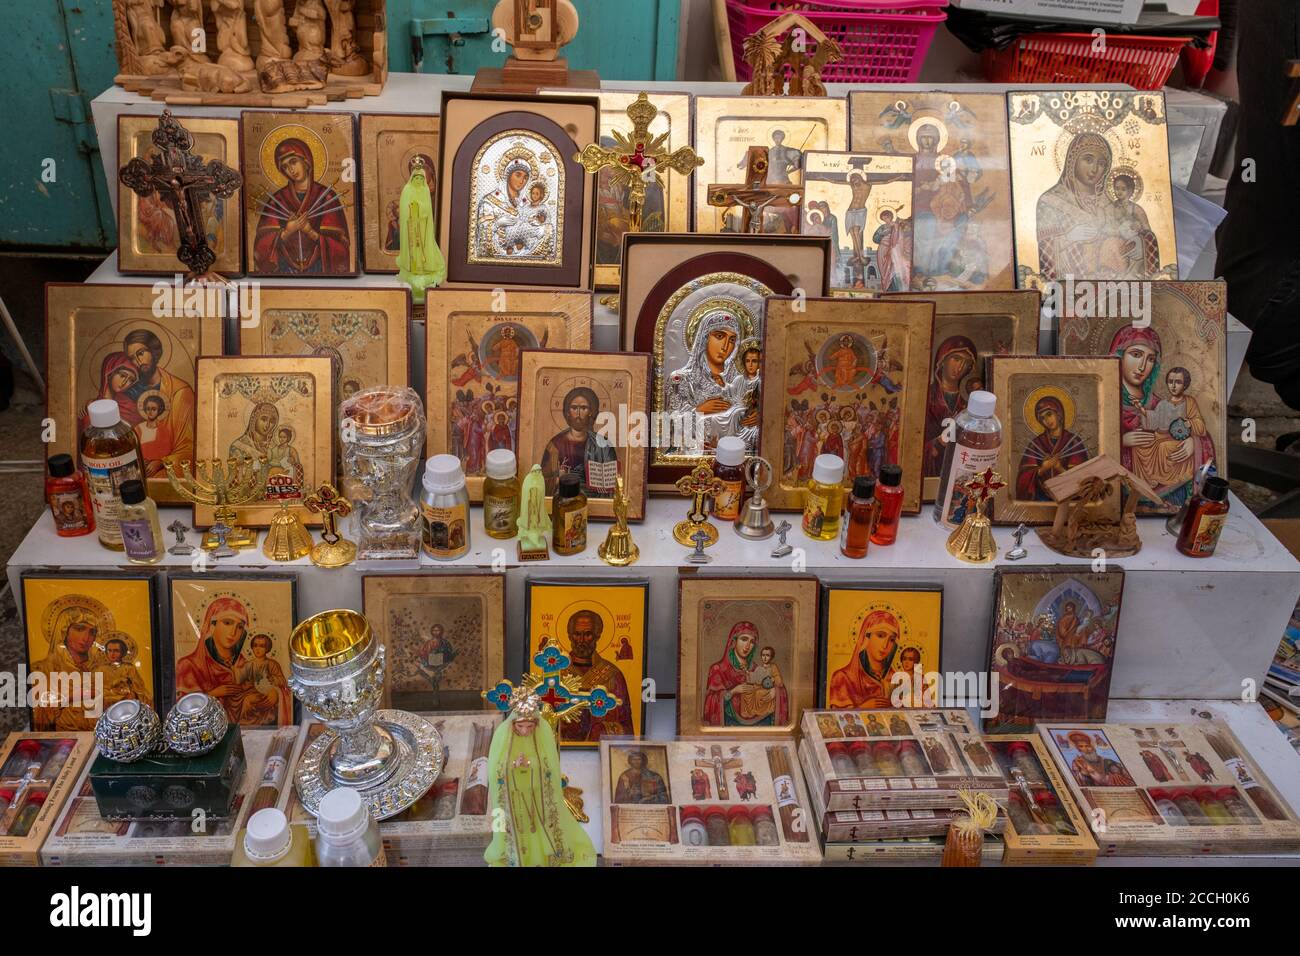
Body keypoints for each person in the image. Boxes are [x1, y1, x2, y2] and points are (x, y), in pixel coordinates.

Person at [483, 694, 596, 867]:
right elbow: (495, 769)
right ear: (513, 724)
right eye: (520, 726)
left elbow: (549, 768)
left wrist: (530, 764)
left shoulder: (542, 736)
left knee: (540, 824)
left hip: (537, 794)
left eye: (530, 726)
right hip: (515, 796)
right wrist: (513, 765)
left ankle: (543, 856)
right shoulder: (503, 736)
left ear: (536, 724)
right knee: (519, 826)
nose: (525, 731)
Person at [253, 137, 351, 275]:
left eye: (293, 162)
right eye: (285, 167)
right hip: (284, 268)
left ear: (306, 161)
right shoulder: (277, 199)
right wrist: (287, 232)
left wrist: (310, 232)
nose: (291, 170)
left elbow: (341, 248)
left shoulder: (326, 197)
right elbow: (260, 246)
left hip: (319, 267)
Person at [176, 597, 271, 726]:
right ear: (212, 625)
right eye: (227, 623)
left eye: (239, 627)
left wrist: (275, 693)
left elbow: (259, 693)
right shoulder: (188, 665)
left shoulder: (244, 663)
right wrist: (213, 694)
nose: (233, 632)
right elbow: (181, 711)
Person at [121, 327, 195, 473]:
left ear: (154, 351)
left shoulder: (179, 392)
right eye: (132, 358)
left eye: (141, 353)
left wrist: (162, 462)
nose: (138, 361)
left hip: (165, 469)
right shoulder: (128, 391)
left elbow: (188, 447)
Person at [558, 610, 632, 743]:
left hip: (599, 749)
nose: (581, 640)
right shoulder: (556, 674)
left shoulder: (613, 675)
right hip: (562, 751)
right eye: (577, 634)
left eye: (588, 634)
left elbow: (627, 729)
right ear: (570, 636)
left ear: (597, 636)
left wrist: (600, 729)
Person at [31, 603, 105, 731]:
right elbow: (38, 719)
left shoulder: (97, 669)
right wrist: (71, 697)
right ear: (64, 630)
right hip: (63, 740)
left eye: (92, 632)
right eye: (79, 629)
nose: (86, 638)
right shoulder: (42, 669)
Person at [702, 621, 789, 727]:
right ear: (734, 641)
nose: (747, 646)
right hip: (731, 726)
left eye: (752, 642)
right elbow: (710, 703)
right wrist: (733, 691)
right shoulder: (718, 669)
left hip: (761, 724)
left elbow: (776, 684)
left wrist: (775, 691)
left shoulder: (756, 668)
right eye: (744, 639)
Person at [540, 386, 618, 498]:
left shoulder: (604, 445)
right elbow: (542, 482)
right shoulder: (555, 444)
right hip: (563, 501)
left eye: (583, 408)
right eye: (574, 408)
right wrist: (558, 479)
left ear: (591, 412)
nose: (578, 414)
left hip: (595, 502)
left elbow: (612, 484)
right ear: (567, 412)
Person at [1015, 395, 1090, 501]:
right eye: (1042, 418)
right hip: (1041, 497)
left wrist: (1059, 467)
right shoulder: (1036, 444)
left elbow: (1083, 479)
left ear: (1058, 413)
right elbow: (1023, 478)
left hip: (1068, 497)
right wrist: (1043, 468)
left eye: (1049, 414)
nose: (1047, 420)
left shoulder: (1074, 442)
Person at [923, 335, 977, 477]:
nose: (960, 367)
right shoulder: (925, 397)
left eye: (966, 363)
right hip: (931, 472)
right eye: (956, 359)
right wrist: (936, 444)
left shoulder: (968, 402)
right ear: (942, 360)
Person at [827, 610, 900, 709]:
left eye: (891, 640)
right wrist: (863, 707)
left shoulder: (896, 679)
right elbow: (836, 716)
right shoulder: (843, 678)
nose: (885, 645)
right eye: (880, 635)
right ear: (866, 638)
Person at [230, 632, 292, 725]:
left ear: (267, 648)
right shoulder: (249, 665)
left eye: (262, 646)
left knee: (263, 702)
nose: (257, 649)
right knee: (248, 700)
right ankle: (245, 723)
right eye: (255, 645)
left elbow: (282, 680)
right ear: (252, 647)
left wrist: (273, 679)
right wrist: (233, 667)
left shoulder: (272, 664)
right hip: (253, 693)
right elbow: (239, 679)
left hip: (267, 694)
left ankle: (265, 721)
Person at [1066, 731, 1135, 787]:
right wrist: (1084, 772)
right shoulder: (1077, 762)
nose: (1085, 749)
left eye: (1087, 746)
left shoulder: (1107, 761)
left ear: (1093, 747)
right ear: (1078, 749)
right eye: (1081, 746)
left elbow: (1126, 775)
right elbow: (1076, 780)